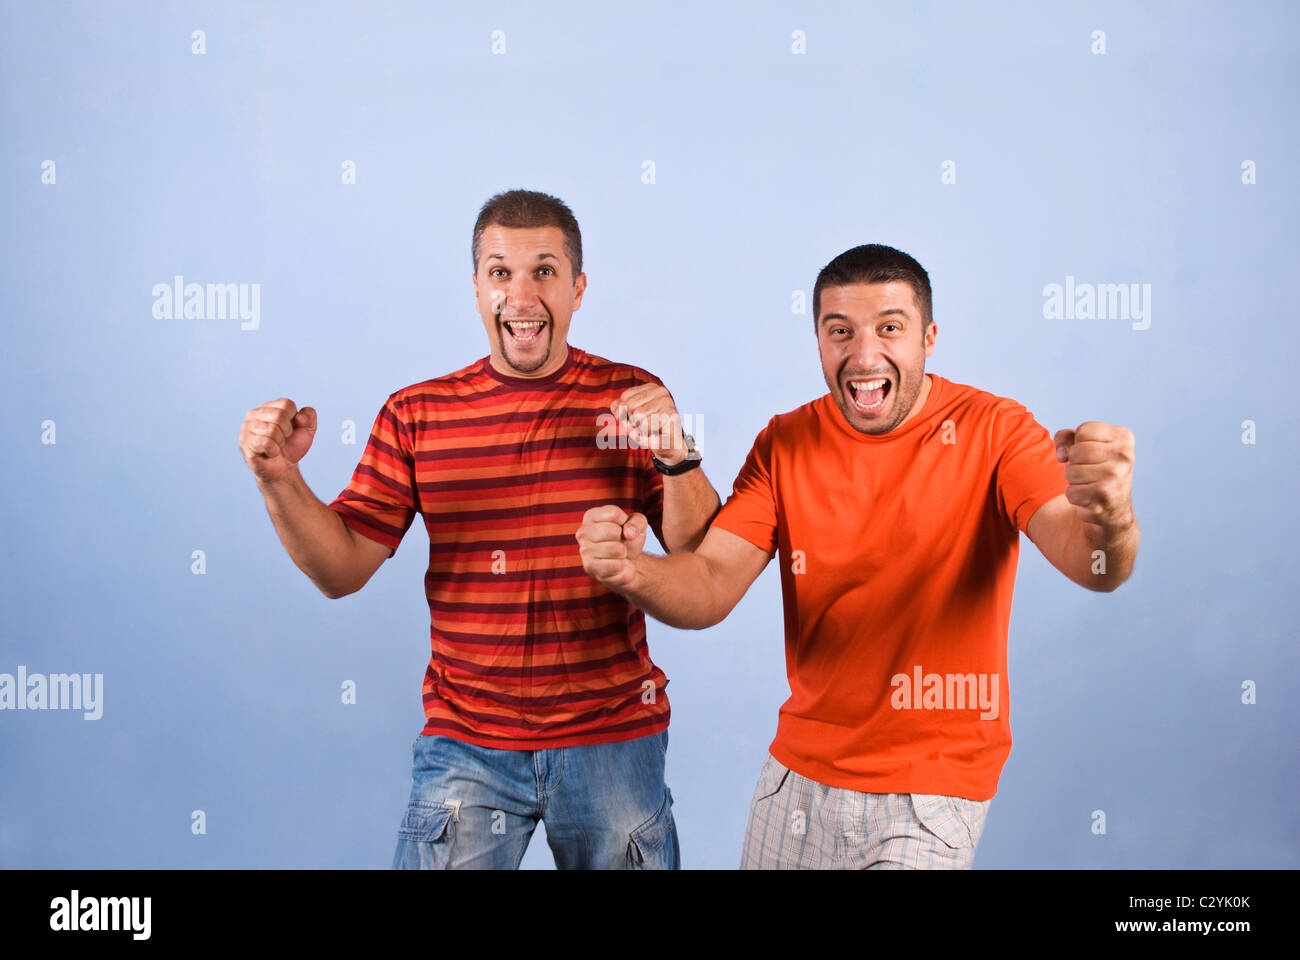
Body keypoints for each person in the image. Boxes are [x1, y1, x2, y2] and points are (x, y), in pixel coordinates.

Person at [575, 243, 1139, 869]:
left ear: (928, 337)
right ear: (818, 340)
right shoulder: (786, 441)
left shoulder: (995, 430)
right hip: (795, 779)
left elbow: (1094, 565)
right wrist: (633, 571)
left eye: (890, 328)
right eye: (839, 331)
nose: (864, 356)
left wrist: (1108, 512)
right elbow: (710, 581)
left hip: (929, 791)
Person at [238, 189, 720, 869]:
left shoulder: (632, 398)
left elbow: (703, 563)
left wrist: (677, 454)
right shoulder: (417, 413)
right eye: (501, 273)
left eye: (545, 272)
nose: (522, 296)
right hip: (467, 742)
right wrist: (279, 479)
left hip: (612, 736)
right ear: (475, 290)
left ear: (578, 289)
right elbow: (340, 570)